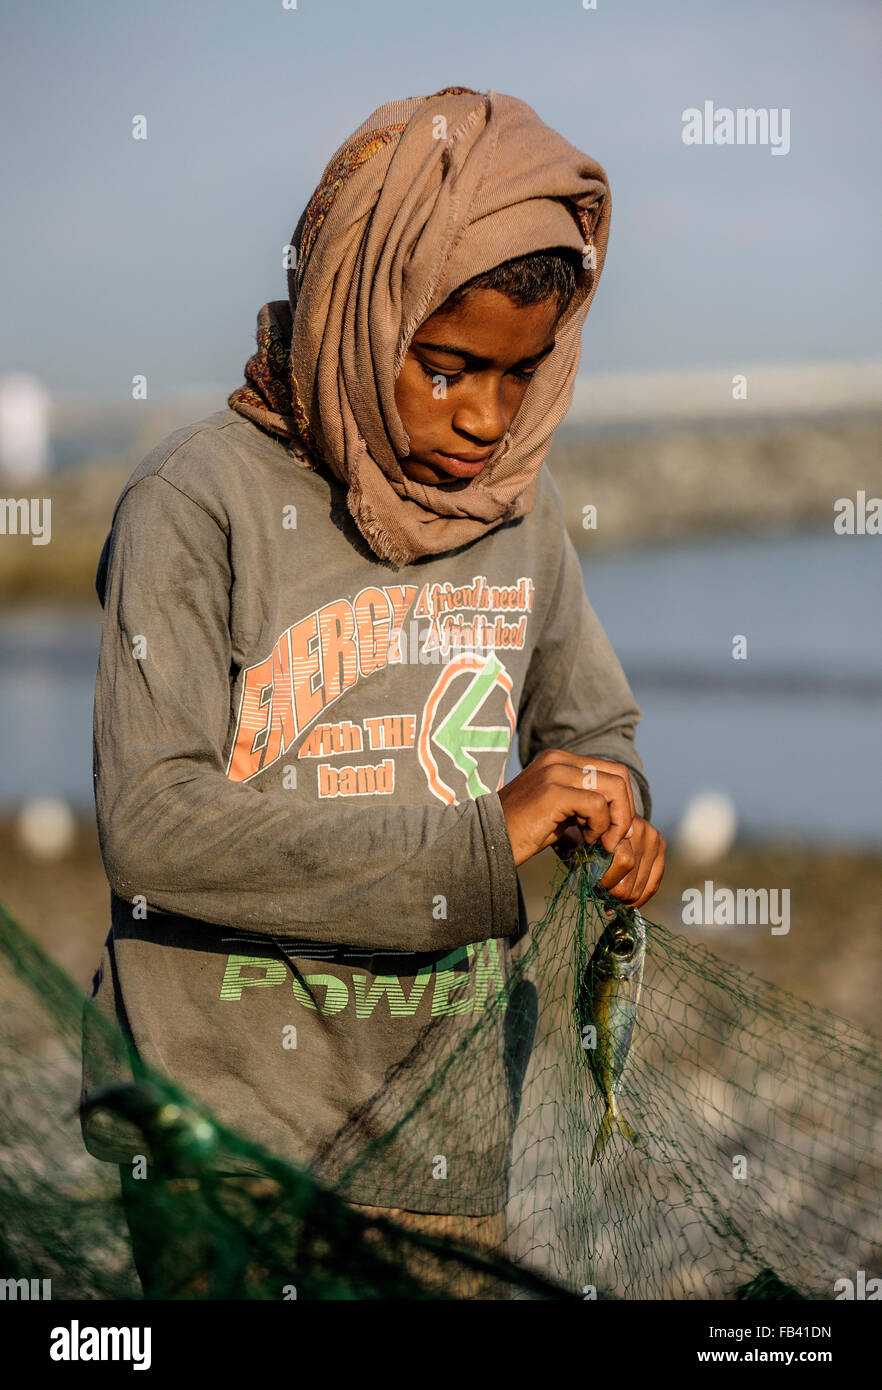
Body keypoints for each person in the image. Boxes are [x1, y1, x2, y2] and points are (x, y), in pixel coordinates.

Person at [81, 85, 666, 1299]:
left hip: (443, 1138)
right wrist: (475, 843)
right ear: (358, 308)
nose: (484, 418)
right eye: (447, 366)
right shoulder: (194, 505)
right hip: (224, 1135)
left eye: (521, 374)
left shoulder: (518, 508)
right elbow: (152, 826)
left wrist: (609, 802)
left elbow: (591, 723)